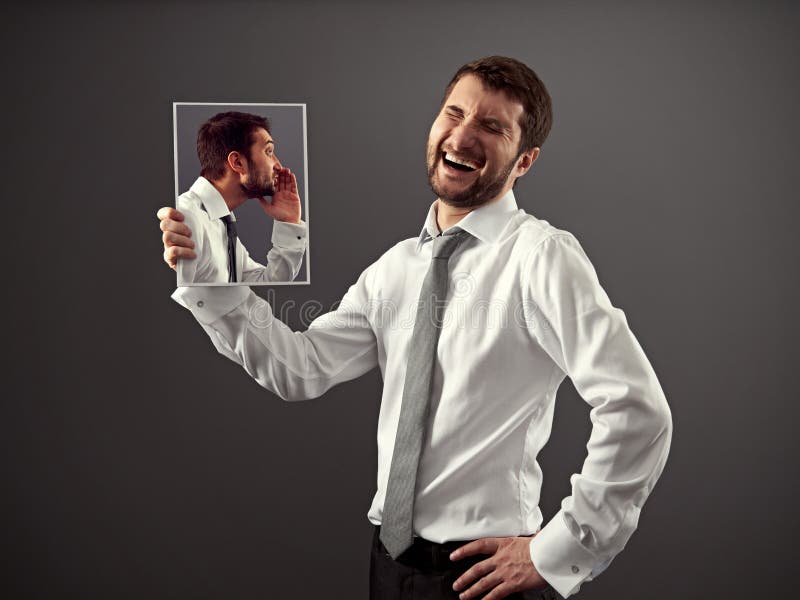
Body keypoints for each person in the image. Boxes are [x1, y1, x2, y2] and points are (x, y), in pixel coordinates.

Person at [157, 56, 672, 599]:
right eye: (454, 113)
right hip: (389, 565)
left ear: (524, 161)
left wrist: (561, 550)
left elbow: (637, 409)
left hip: (486, 576)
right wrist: (208, 284)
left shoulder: (541, 258)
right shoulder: (396, 267)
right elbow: (301, 370)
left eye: (493, 127)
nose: (463, 135)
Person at [170, 111, 307, 285]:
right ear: (237, 162)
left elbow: (267, 283)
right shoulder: (185, 216)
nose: (278, 166)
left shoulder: (222, 222)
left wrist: (289, 222)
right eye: (269, 151)